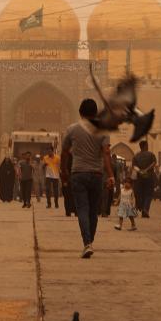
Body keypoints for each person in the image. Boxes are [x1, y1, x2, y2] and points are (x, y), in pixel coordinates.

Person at [62, 99, 114, 259]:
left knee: (82, 210)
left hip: (78, 173)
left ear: (80, 113)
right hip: (97, 174)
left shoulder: (72, 129)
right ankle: (89, 241)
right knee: (93, 211)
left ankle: (87, 243)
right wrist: (111, 175)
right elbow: (106, 153)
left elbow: (64, 152)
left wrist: (64, 170)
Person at [132, 140, 157, 217]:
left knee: (140, 193)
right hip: (149, 177)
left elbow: (134, 166)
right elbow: (154, 163)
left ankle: (142, 208)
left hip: (139, 178)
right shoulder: (151, 154)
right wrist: (146, 170)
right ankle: (145, 209)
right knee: (148, 194)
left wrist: (140, 171)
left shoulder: (136, 156)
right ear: (145, 146)